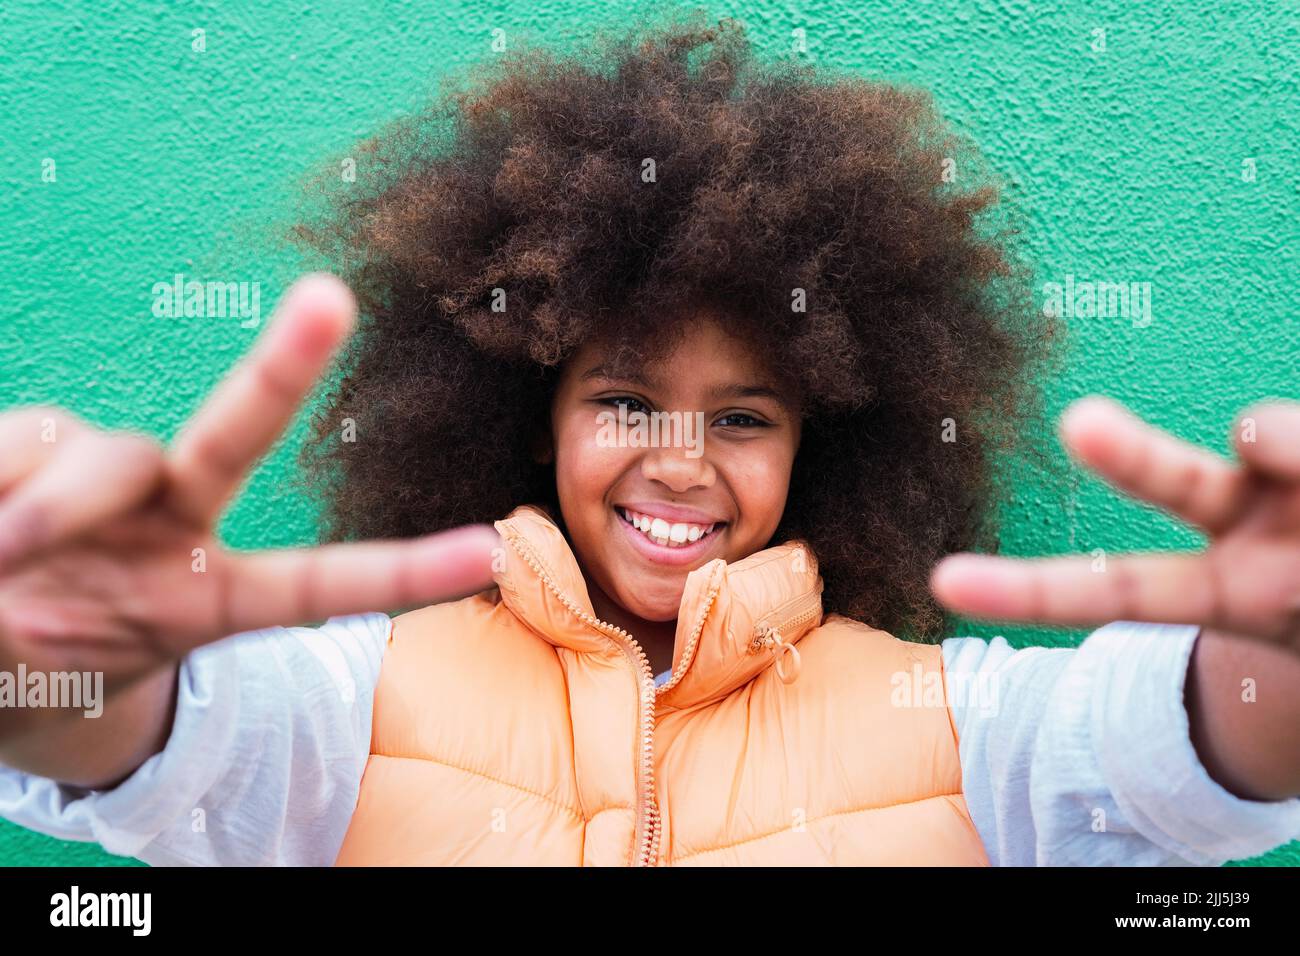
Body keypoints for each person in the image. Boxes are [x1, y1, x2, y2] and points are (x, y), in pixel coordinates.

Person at [2, 15, 1298, 866]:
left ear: (828, 448)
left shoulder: (956, 718)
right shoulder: (353, 697)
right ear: (530, 416)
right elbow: (168, 752)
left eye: (744, 418)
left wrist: (1275, 650)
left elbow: (1162, 768)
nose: (680, 461)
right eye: (625, 403)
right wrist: (62, 668)